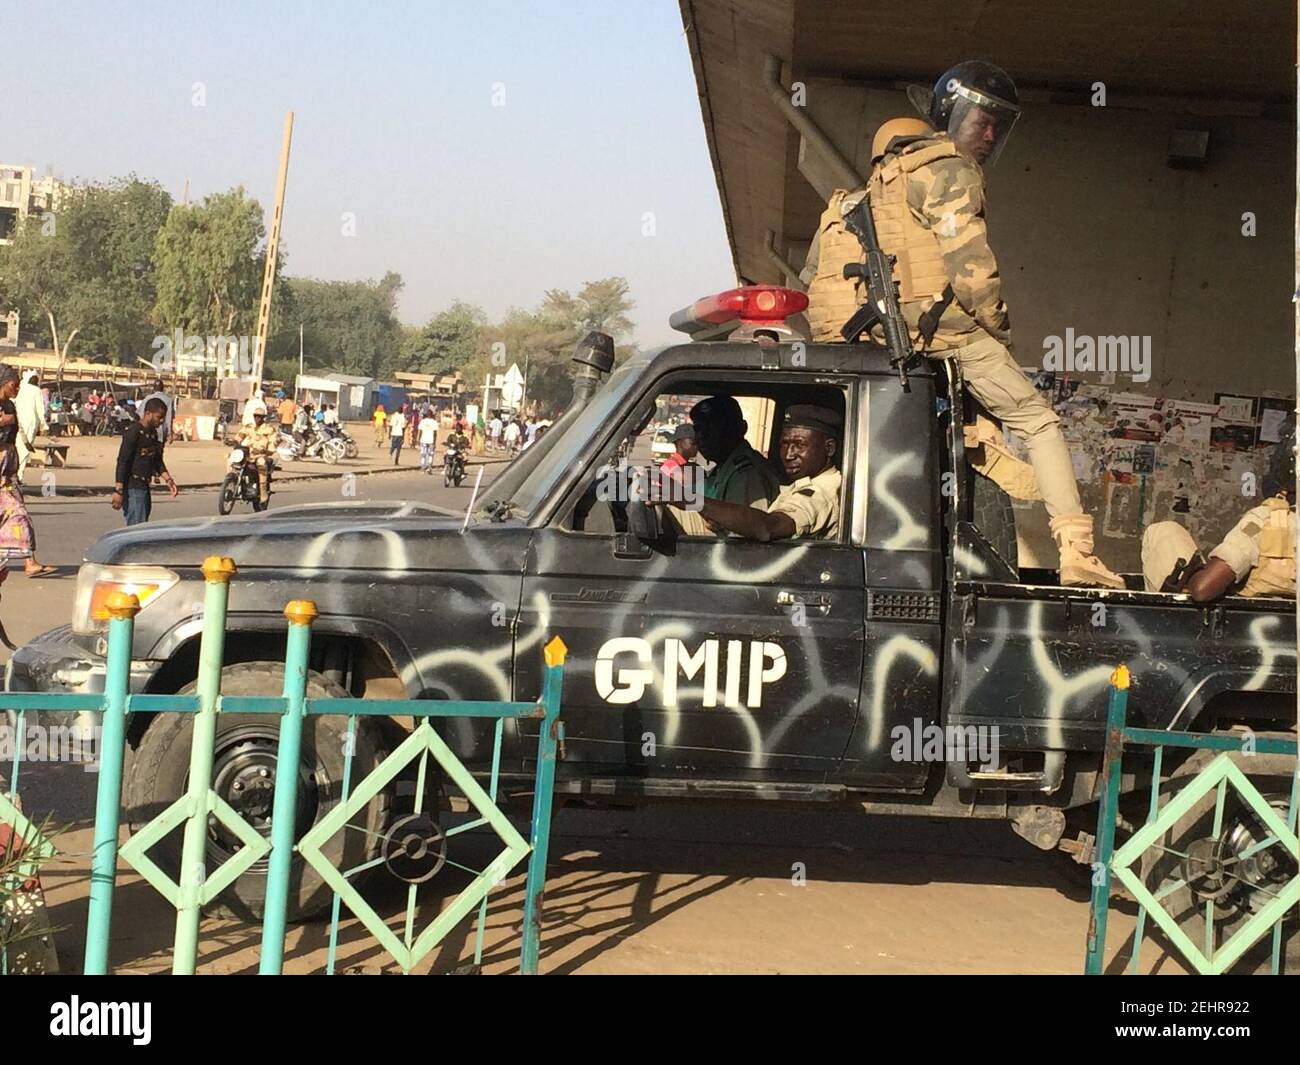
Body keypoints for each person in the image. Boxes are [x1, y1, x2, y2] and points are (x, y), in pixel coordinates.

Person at [802, 62, 1122, 589]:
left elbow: (816, 283)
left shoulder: (854, 202)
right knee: (1038, 422)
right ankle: (1077, 552)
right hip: (942, 335)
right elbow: (972, 273)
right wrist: (998, 329)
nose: (991, 135)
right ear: (942, 122)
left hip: (866, 344)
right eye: (982, 121)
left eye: (998, 124)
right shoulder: (945, 170)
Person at [1143, 430, 1296, 600]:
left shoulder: (1264, 521)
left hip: (1239, 621)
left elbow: (1202, 590)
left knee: (1163, 530)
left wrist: (1192, 577)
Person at [669, 404, 841, 542]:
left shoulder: (818, 494)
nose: (788, 455)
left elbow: (768, 528)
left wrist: (688, 500)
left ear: (829, 448)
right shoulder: (808, 481)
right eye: (784, 444)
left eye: (800, 445)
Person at [669, 394, 781, 537]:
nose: (703, 436)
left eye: (713, 427)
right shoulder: (723, 467)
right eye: (698, 429)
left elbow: (744, 541)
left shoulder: (746, 473)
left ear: (741, 428)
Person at [0, 364, 57, 577]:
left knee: (18, 512)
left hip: (8, 469)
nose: (17, 388)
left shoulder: (10, 406)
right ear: (4, 383)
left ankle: (29, 561)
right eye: (14, 384)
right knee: (18, 512)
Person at [112, 396, 178, 525]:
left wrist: (168, 479)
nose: (161, 420)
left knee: (142, 526)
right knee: (136, 529)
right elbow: (123, 461)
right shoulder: (133, 432)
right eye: (159, 417)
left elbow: (156, 460)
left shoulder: (152, 434)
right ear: (148, 413)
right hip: (133, 487)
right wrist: (118, 490)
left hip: (144, 487)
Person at [236, 408, 277, 506]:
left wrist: (268, 450)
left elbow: (272, 442)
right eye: (255, 416)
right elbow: (240, 435)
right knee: (231, 460)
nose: (257, 418)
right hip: (248, 454)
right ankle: (233, 484)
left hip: (261, 455)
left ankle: (263, 494)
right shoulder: (249, 426)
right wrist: (235, 441)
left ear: (263, 418)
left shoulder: (269, 428)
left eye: (259, 416)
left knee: (261, 464)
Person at [15, 371, 48, 481]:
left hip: (16, 420)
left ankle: (11, 475)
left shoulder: (19, 388)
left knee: (15, 447)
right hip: (30, 422)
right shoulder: (36, 390)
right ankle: (19, 476)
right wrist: (44, 425)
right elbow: (40, 409)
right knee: (25, 449)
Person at [417, 408, 438, 472]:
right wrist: (434, 442)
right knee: (430, 455)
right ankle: (429, 467)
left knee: (423, 454)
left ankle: (423, 467)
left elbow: (420, 431)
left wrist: (419, 440)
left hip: (423, 440)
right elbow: (435, 434)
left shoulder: (423, 421)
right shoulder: (434, 422)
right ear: (432, 415)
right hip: (431, 440)